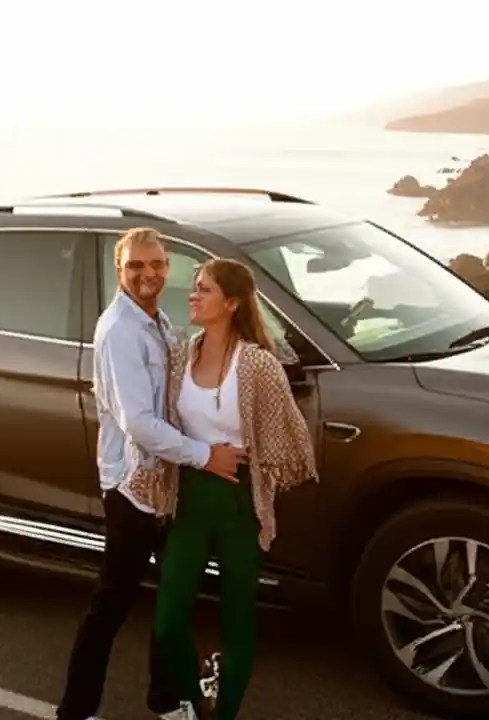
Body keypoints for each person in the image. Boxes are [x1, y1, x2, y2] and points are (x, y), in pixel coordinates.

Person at [56, 228, 247, 720]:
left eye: (157, 264)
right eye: (137, 265)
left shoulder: (157, 321)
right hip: (132, 490)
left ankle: (167, 702)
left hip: (166, 485)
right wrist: (207, 455)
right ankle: (74, 713)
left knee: (174, 601)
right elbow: (139, 423)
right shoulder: (120, 331)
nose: (149, 274)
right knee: (111, 607)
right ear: (119, 271)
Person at [131, 258, 319, 719]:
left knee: (238, 622)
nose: (192, 295)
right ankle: (196, 705)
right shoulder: (181, 355)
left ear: (231, 303)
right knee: (169, 621)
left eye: (204, 290)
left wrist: (258, 467)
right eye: (194, 287)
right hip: (190, 499)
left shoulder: (257, 365)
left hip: (239, 503)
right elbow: (159, 421)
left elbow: (292, 442)